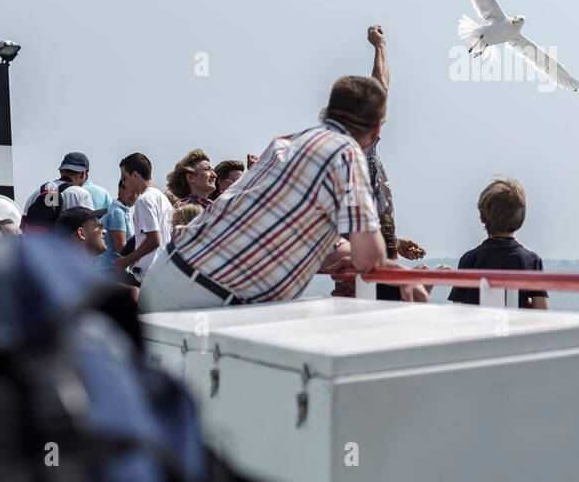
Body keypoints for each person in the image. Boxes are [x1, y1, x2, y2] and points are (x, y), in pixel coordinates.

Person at [138, 75, 428, 312]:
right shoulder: (346, 152)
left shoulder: (284, 145)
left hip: (165, 276)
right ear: (377, 128)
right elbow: (370, 259)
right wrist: (398, 270)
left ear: (328, 112)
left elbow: (286, 232)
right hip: (205, 300)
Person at [361, 25, 425, 261]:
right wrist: (380, 47)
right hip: (368, 261)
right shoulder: (354, 150)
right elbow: (380, 87)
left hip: (370, 252)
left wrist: (394, 243)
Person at [447, 177, 548, 310]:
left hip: (481, 330)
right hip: (518, 330)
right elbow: (541, 312)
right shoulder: (532, 262)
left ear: (482, 216)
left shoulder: (470, 260)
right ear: (521, 219)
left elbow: (458, 310)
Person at [114, 152, 172, 284]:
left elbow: (154, 240)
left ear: (135, 175)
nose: (123, 182)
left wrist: (126, 260)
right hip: (162, 271)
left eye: (124, 177)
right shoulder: (162, 198)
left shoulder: (144, 200)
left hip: (146, 276)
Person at [22, 152, 95, 231]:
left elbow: (23, 225)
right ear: (83, 173)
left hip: (38, 242)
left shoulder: (38, 192)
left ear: (61, 171)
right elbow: (90, 229)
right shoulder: (81, 194)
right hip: (65, 243)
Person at [95, 179, 136, 275]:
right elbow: (122, 249)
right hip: (110, 272)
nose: (134, 196)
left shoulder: (116, 210)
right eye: (131, 191)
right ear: (120, 189)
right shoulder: (117, 213)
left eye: (137, 192)